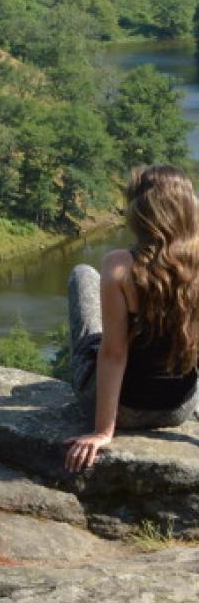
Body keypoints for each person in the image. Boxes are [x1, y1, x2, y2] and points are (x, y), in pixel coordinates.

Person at [64, 164, 199, 473]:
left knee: (83, 275)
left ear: (141, 214)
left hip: (124, 411)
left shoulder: (119, 265)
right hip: (178, 409)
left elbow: (114, 353)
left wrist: (103, 431)